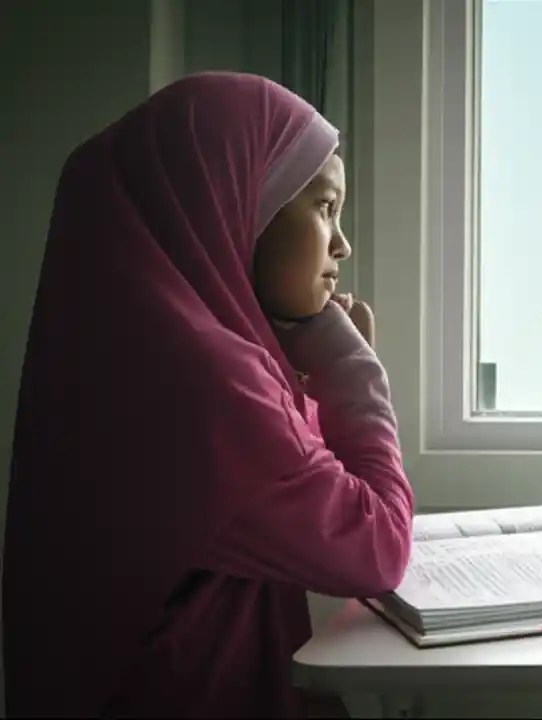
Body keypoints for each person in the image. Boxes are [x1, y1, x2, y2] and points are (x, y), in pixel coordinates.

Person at [3, 72, 415, 717]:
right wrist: (351, 366)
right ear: (237, 200)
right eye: (325, 207)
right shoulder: (208, 388)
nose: (342, 245)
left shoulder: (136, 352)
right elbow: (380, 548)